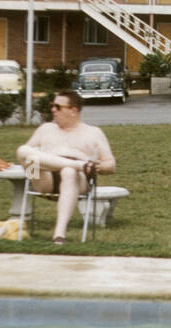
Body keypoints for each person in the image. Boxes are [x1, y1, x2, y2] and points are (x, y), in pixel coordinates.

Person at [16, 89, 116, 243]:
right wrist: (81, 165)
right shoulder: (45, 129)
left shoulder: (93, 132)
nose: (53, 110)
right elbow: (27, 155)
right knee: (23, 151)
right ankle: (79, 165)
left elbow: (111, 164)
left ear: (73, 110)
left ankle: (59, 234)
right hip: (43, 180)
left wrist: (100, 167)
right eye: (52, 105)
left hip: (78, 180)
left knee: (68, 172)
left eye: (57, 107)